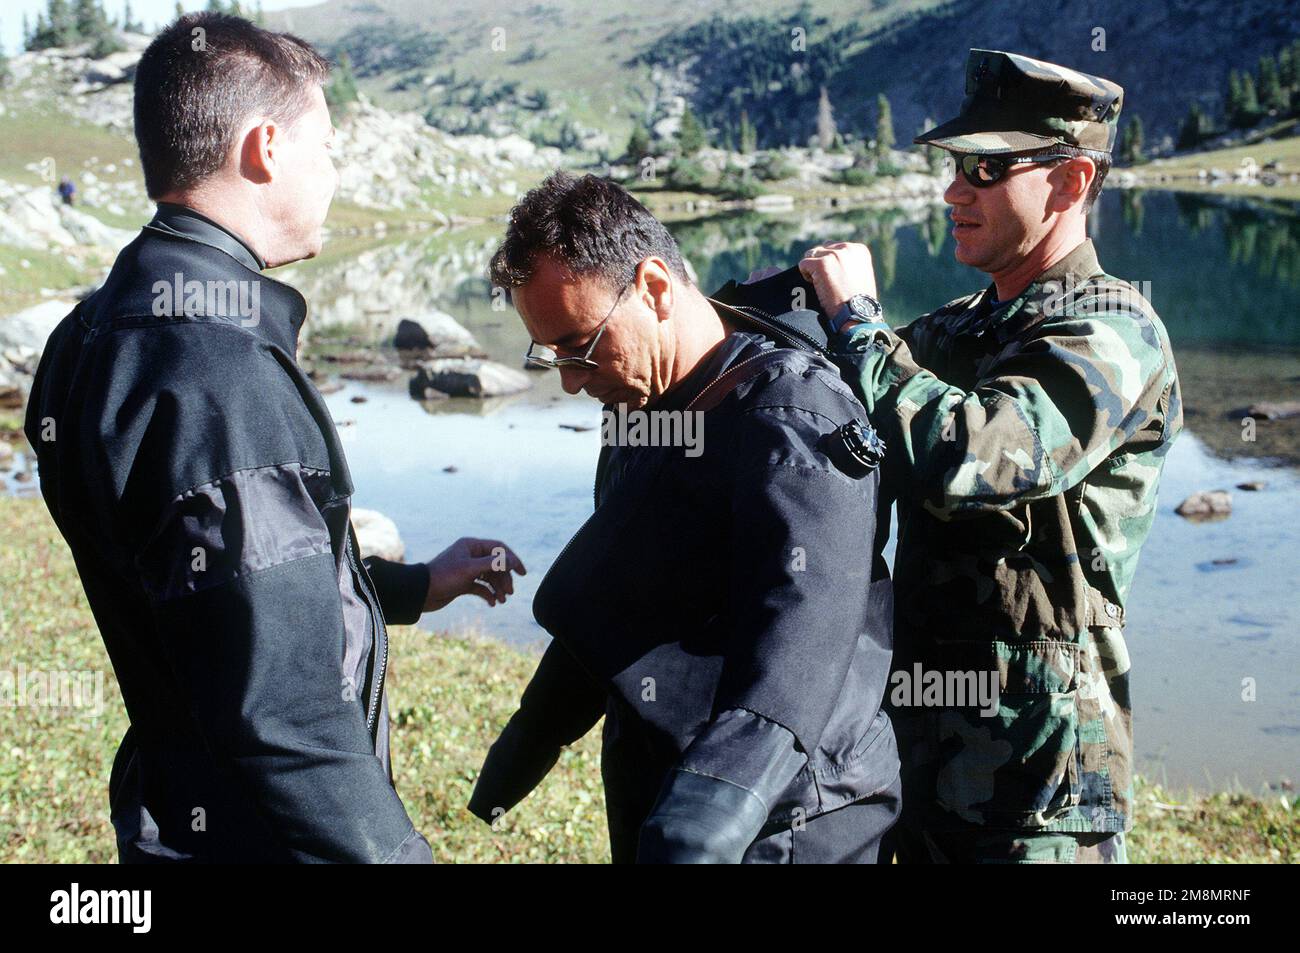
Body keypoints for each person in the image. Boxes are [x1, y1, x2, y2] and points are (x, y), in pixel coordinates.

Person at [23, 13, 524, 863]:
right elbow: (285, 712)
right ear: (263, 148)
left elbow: (215, 580)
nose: (334, 172)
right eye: (324, 146)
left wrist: (410, 587)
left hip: (175, 806)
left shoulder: (94, 328)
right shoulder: (220, 373)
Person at [792, 49, 1183, 863]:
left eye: (986, 166)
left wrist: (860, 321)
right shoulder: (962, 328)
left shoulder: (1115, 329)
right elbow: (843, 391)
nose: (953, 191)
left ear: (1070, 183)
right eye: (953, 165)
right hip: (918, 757)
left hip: (1038, 788)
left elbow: (978, 452)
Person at [468, 171, 900, 864]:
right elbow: (618, 593)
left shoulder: (795, 417)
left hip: (790, 819)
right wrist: (532, 738)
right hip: (665, 800)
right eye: (550, 357)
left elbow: (803, 636)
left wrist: (711, 809)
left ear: (656, 288)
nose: (572, 380)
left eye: (580, 345)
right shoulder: (637, 409)